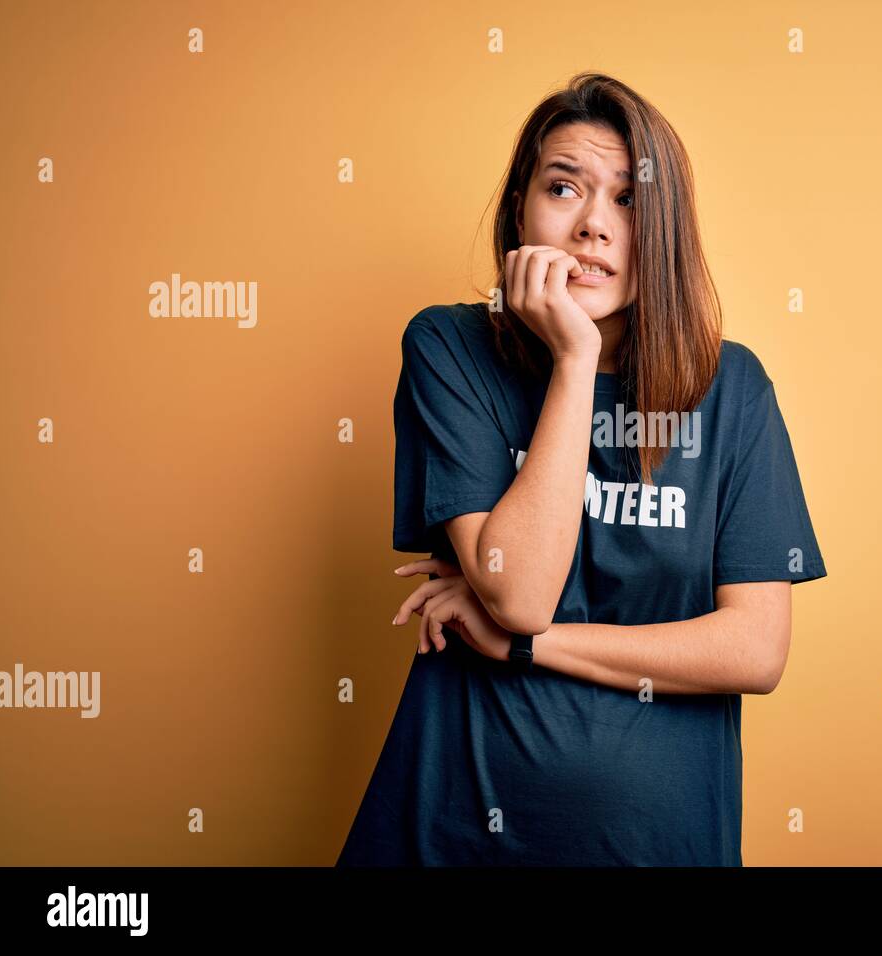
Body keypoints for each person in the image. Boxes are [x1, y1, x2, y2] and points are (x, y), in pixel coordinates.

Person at [336, 72, 826, 867]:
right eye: (564, 187)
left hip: (660, 846)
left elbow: (755, 651)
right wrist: (575, 359)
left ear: (663, 230)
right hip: (453, 834)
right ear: (520, 211)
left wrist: (528, 646)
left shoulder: (733, 388)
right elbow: (521, 590)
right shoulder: (450, 349)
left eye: (629, 201)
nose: (594, 225)